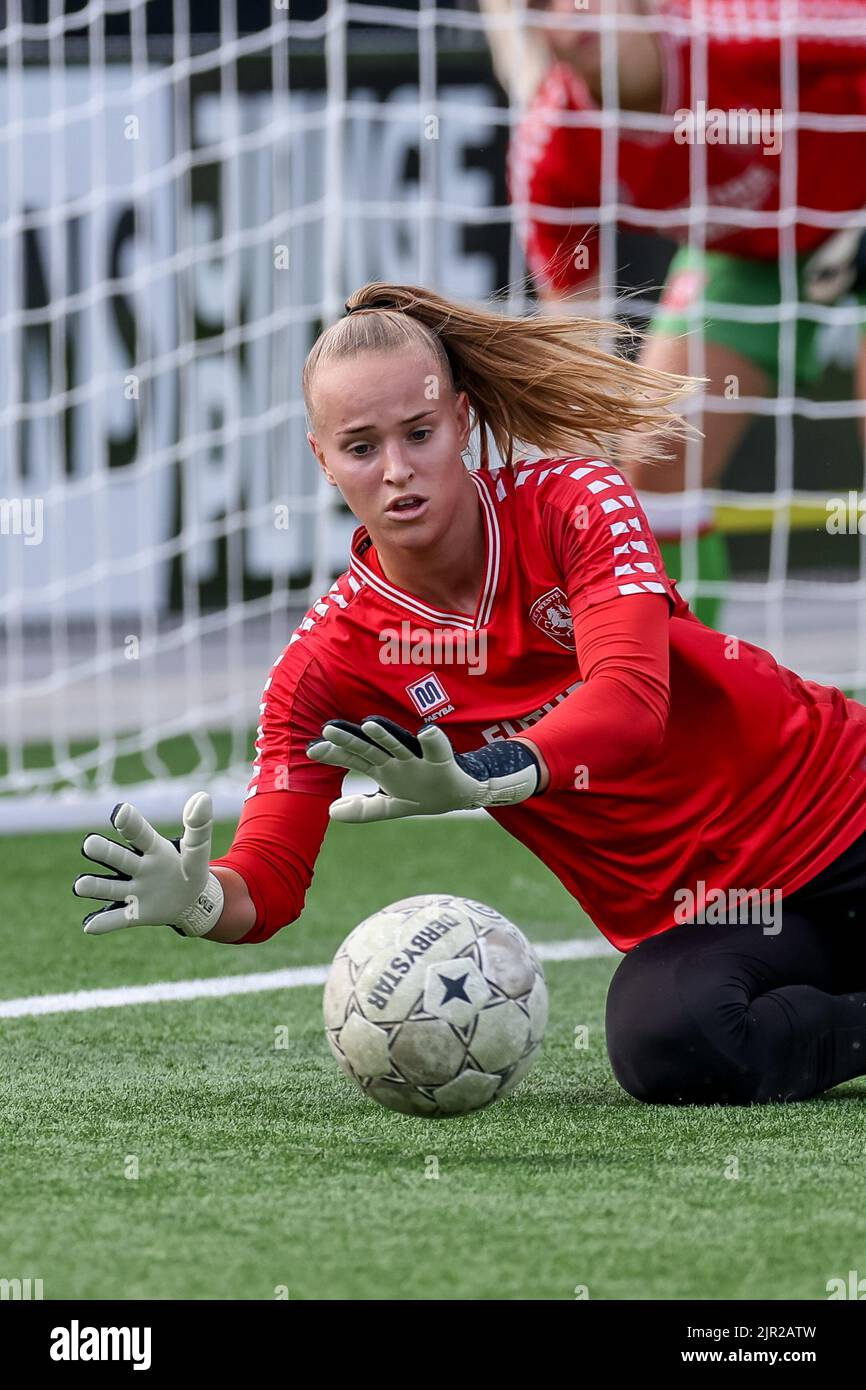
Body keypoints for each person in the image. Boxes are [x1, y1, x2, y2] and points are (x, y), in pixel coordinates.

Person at [74, 283, 866, 1107]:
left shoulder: (575, 502)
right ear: (320, 458)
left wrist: (487, 770)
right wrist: (200, 902)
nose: (396, 470)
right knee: (670, 1043)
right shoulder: (326, 665)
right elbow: (268, 880)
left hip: (844, 811)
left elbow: (631, 705)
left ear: (460, 420)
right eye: (359, 447)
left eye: (418, 434)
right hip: (717, 916)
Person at [503, 0, 866, 625]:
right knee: (651, 469)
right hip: (745, 257)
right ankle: (688, 690)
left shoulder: (750, 28)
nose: (572, 13)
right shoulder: (553, 148)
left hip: (858, 209)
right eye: (541, 4)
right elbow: (576, 355)